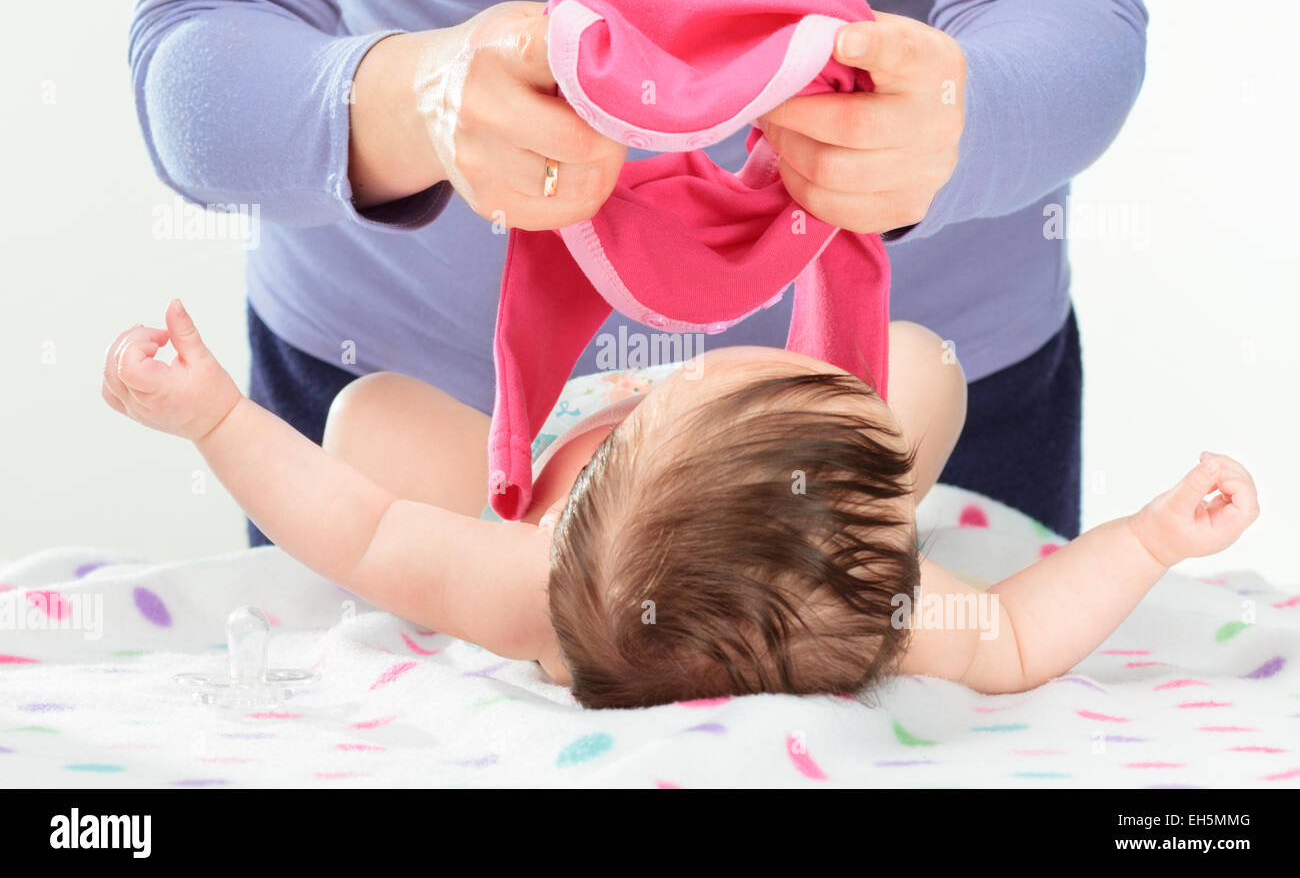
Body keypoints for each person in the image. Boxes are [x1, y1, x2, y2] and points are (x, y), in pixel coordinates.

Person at [128, 0, 1147, 541]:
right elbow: (200, 50)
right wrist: (413, 101)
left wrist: (956, 120)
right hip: (417, 393)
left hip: (913, 438)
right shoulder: (474, 535)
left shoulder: (904, 411)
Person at [101, 301, 1257, 707]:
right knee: (917, 364)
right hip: (744, 482)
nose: (698, 355)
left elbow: (357, 526)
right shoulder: (880, 599)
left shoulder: (534, 580)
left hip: (531, 473)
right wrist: (1148, 539)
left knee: (364, 423)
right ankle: (871, 418)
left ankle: (847, 420)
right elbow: (1020, 632)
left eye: (707, 376)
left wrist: (215, 416)